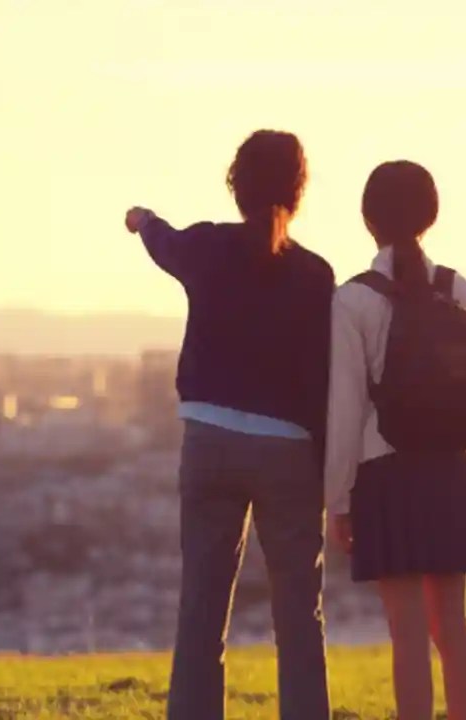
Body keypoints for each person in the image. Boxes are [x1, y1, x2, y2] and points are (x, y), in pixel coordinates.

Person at [124, 130, 335, 720]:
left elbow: (162, 241)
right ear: (298, 192)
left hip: (209, 441)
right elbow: (325, 382)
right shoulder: (317, 277)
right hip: (290, 453)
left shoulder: (207, 248)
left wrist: (141, 218)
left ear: (235, 186)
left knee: (201, 609)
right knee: (298, 615)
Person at [324, 160, 466, 720]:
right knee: (453, 625)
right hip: (449, 471)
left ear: (367, 219)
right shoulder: (460, 290)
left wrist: (339, 500)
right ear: (431, 215)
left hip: (384, 473)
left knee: (406, 633)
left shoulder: (354, 300)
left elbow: (346, 409)